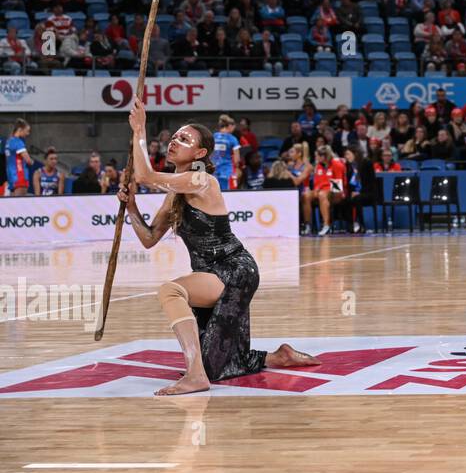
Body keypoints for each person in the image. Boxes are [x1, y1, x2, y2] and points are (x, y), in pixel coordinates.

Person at [118, 98, 318, 395]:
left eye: (183, 139)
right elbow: (148, 239)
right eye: (174, 137)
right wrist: (132, 208)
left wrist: (139, 130)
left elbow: (145, 175)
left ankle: (195, 376)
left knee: (170, 290)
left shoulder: (203, 180)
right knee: (219, 364)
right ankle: (279, 356)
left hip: (233, 269)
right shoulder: (173, 195)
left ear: (199, 153)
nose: (174, 141)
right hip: (209, 273)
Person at [303, 144, 346, 236]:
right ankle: (307, 225)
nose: (316, 158)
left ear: (323, 156)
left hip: (337, 193)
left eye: (317, 156)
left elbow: (338, 187)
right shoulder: (318, 165)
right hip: (320, 191)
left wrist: (322, 190)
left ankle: (326, 225)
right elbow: (316, 182)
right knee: (306, 196)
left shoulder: (337, 165)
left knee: (322, 195)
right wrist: (315, 189)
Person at [212, 114, 241, 191]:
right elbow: (237, 159)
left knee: (214, 191)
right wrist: (237, 168)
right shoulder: (232, 139)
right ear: (230, 126)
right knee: (226, 192)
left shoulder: (213, 136)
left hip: (213, 169)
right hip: (226, 170)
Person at [5, 119, 34, 196]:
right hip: (20, 176)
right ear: (20, 129)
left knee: (12, 205)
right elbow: (28, 160)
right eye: (27, 131)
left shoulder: (8, 141)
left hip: (11, 177)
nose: (28, 133)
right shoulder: (18, 142)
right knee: (21, 205)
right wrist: (32, 161)